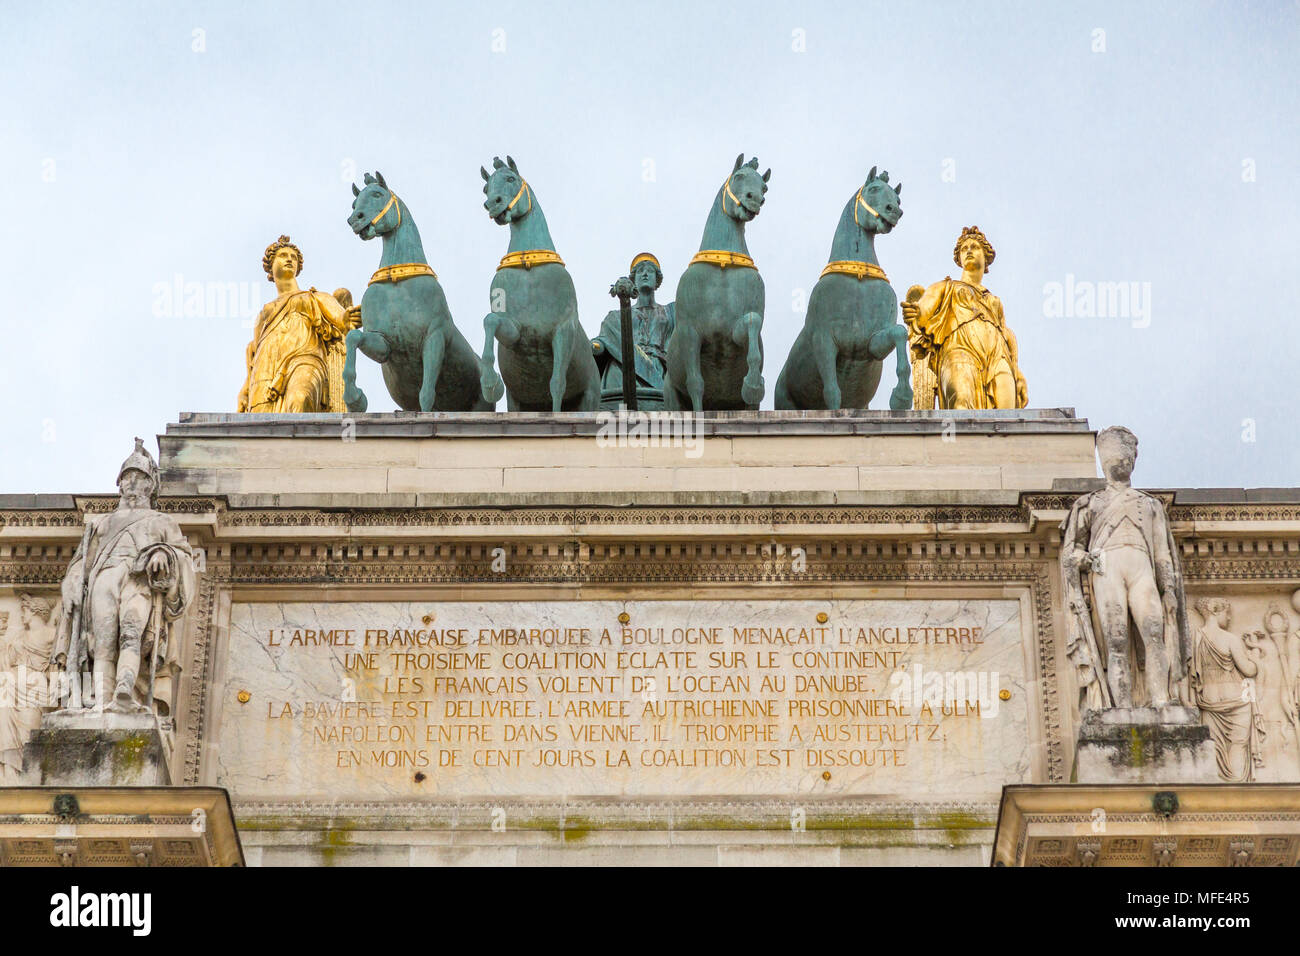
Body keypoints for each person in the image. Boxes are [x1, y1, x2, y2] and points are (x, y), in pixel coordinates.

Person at [52, 439, 195, 714]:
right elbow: (81, 563)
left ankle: (124, 691)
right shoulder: (100, 523)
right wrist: (70, 584)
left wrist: (164, 556)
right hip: (103, 579)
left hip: (139, 580)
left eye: (138, 477)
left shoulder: (162, 521)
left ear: (149, 485)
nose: (130, 483)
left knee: (132, 632)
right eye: (126, 477)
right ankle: (103, 703)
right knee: (103, 642)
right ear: (119, 484)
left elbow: (182, 554)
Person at [1060, 426, 1190, 710]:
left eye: (1127, 457)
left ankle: (1161, 700)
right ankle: (1122, 709)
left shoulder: (1150, 504)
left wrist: (1168, 588)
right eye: (1117, 458)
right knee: (1115, 640)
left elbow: (1163, 554)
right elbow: (1072, 551)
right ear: (1105, 463)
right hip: (1106, 568)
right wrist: (1084, 559)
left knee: (1154, 633)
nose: (1123, 463)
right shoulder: (1090, 504)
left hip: (1142, 568)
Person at [901, 226, 1027, 409]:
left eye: (975, 247)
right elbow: (923, 310)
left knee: (1008, 413)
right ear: (959, 258)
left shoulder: (995, 301)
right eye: (964, 248)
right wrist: (915, 312)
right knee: (961, 405)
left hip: (998, 356)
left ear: (986, 257)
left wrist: (1018, 374)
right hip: (959, 350)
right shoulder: (945, 287)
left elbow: (1007, 337)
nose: (968, 250)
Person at [237, 235, 353, 412]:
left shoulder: (315, 297)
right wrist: (245, 390)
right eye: (283, 255)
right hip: (266, 372)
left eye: (294, 257)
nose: (290, 259)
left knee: (300, 399)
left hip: (305, 359)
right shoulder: (264, 314)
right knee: (261, 423)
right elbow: (255, 356)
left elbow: (343, 320)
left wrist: (351, 317)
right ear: (270, 267)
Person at [592, 253, 675, 409]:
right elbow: (603, 342)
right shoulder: (614, 317)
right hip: (622, 371)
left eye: (650, 271)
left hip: (659, 372)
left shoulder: (671, 311)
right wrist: (594, 346)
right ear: (633, 280)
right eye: (640, 271)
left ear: (657, 280)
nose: (644, 273)